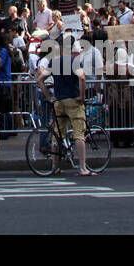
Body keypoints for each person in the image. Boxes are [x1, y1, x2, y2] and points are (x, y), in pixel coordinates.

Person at [37, 37, 92, 177]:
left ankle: (55, 166)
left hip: (58, 101)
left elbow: (40, 79)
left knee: (58, 134)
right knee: (79, 133)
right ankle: (82, 167)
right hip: (73, 100)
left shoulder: (53, 62)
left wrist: (49, 97)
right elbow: (82, 78)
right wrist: (82, 96)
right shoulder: (74, 62)